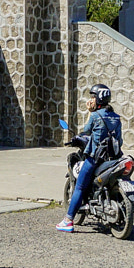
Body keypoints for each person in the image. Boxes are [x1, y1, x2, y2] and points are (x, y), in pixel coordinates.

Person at [56, 84, 123, 233]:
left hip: (95, 158)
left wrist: (90, 112)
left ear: (98, 98)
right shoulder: (116, 118)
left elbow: (86, 132)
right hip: (114, 158)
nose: (91, 99)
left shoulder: (95, 116)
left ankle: (68, 221)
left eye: (93, 97)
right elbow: (119, 139)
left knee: (80, 186)